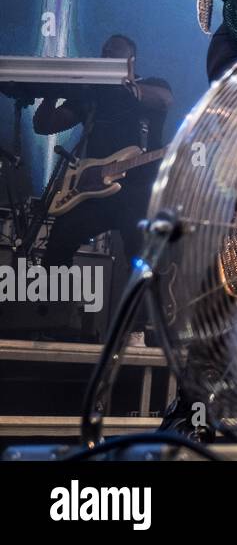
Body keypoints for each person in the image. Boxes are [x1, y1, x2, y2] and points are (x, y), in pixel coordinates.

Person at [33, 34, 173, 329]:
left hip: (136, 188)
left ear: (131, 60)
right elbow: (45, 125)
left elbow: (164, 99)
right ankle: (55, 322)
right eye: (104, 52)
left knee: (140, 252)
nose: (107, 55)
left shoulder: (152, 85)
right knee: (59, 243)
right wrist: (50, 91)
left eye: (115, 54)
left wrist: (129, 86)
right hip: (92, 191)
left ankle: (145, 327)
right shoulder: (92, 96)